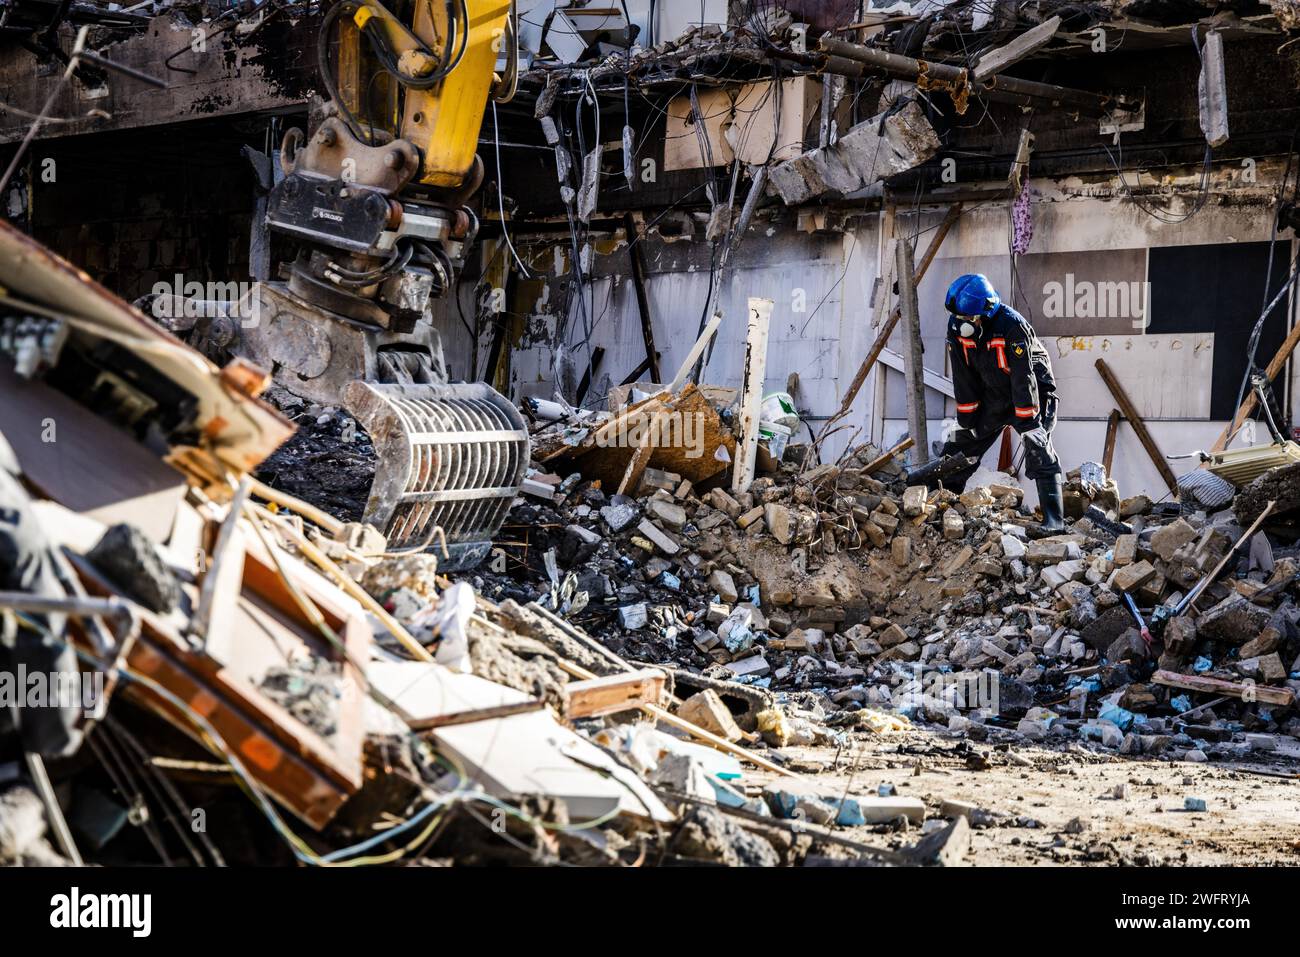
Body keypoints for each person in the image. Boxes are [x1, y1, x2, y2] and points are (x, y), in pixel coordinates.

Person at [940, 273, 1064, 530]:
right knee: (960, 445)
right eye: (959, 318)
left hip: (1033, 390)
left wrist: (1029, 423)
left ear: (984, 313)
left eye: (967, 318)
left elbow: (1024, 377)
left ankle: (1054, 520)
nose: (962, 323)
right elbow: (963, 379)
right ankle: (942, 505)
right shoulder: (956, 330)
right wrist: (967, 422)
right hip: (994, 393)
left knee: (1038, 446)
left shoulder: (1012, 326)